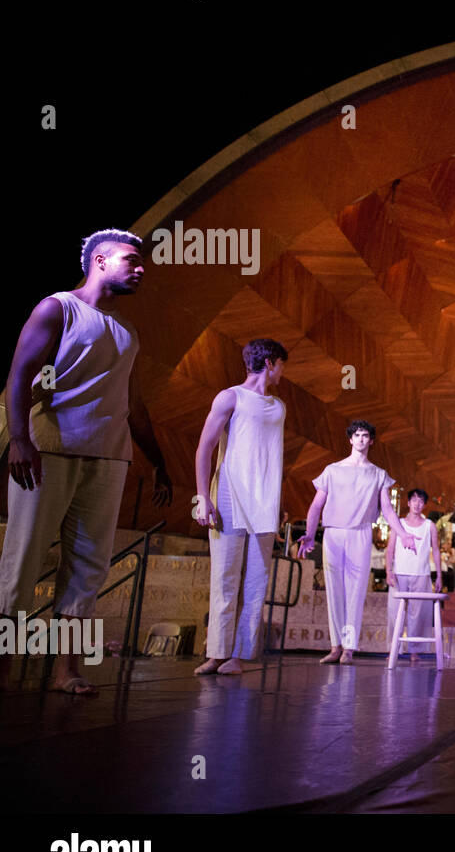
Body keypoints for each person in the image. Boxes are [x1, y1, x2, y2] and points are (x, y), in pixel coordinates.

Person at [0, 229, 173, 695]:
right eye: (131, 260)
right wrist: (20, 438)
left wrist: (157, 461)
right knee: (23, 563)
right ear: (99, 260)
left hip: (109, 457)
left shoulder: (127, 331)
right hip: (48, 450)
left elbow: (133, 405)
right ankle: (3, 664)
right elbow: (19, 375)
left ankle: (66, 671)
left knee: (87, 569)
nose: (141, 268)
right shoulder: (57, 308)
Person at [192, 338, 289, 676]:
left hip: (264, 501)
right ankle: (217, 653)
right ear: (270, 363)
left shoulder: (278, 406)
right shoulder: (229, 397)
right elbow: (204, 448)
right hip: (230, 496)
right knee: (224, 577)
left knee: (256, 581)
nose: (282, 373)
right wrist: (203, 497)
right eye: (281, 366)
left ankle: (240, 655)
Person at [298, 420, 412, 665]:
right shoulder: (332, 470)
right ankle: (335, 646)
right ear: (350, 439)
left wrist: (402, 533)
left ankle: (349, 647)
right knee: (334, 591)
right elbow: (316, 505)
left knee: (355, 592)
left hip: (360, 533)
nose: (360, 439)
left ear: (371, 441)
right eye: (357, 435)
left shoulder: (378, 474)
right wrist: (309, 533)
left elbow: (388, 511)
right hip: (333, 534)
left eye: (365, 436)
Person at [385, 488, 441, 664]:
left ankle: (415, 651)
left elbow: (436, 551)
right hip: (399, 573)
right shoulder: (398, 523)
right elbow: (390, 548)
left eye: (421, 501)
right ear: (408, 503)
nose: (417, 504)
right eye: (414, 500)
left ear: (424, 505)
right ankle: (393, 649)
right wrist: (388, 570)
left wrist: (438, 575)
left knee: (418, 615)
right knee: (394, 613)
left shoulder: (429, 526)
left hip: (421, 574)